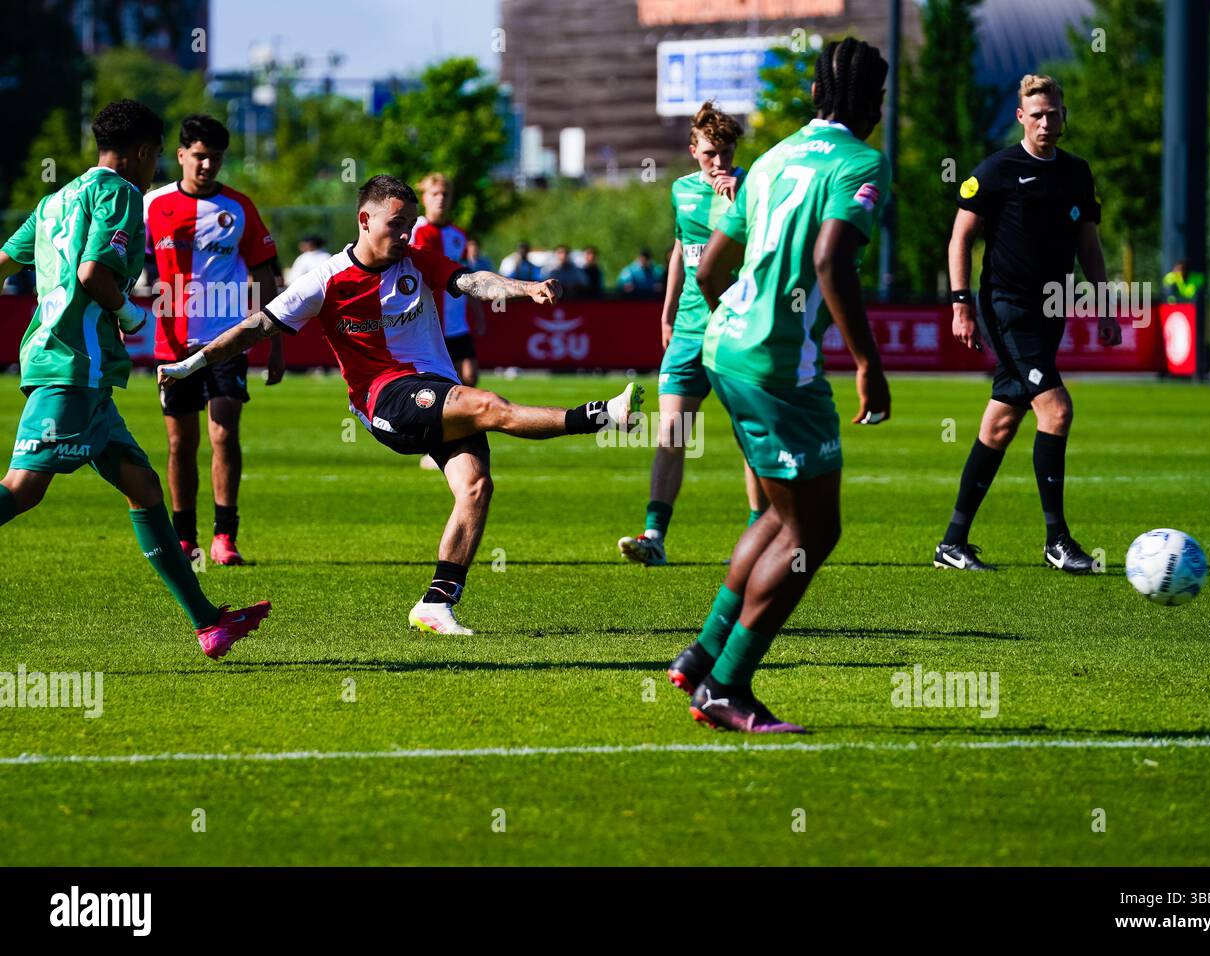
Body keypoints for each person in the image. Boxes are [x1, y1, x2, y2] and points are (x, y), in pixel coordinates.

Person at [159, 175, 644, 636]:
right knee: (490, 404)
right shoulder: (325, 280)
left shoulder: (419, 258)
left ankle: (436, 603)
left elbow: (474, 281)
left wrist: (524, 288)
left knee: (475, 487)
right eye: (396, 223)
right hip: (386, 399)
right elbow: (254, 327)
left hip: (436, 388)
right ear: (364, 221)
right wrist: (193, 364)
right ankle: (602, 416)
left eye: (410, 223)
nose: (406, 232)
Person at [664, 38, 893, 733]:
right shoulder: (861, 162)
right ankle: (728, 687)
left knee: (773, 513)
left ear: (816, 97)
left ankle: (703, 654)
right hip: (775, 363)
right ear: (870, 104)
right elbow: (831, 258)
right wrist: (867, 361)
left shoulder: (771, 158)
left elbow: (711, 266)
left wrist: (741, 312)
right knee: (813, 529)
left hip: (723, 343)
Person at [0, 100, 270, 660]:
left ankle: (207, 622)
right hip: (71, 370)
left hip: (83, 378)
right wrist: (130, 316)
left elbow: (5, 261)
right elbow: (94, 273)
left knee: (145, 490)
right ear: (146, 153)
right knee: (22, 490)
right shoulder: (120, 194)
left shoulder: (55, 201)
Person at [934, 74, 1121, 575]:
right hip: (1005, 308)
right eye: (1036, 114)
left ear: (1063, 115)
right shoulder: (996, 171)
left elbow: (1089, 248)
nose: (1045, 122)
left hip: (1050, 312)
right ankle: (1057, 540)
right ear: (1021, 117)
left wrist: (1105, 307)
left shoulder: (1078, 173)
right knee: (1056, 410)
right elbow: (960, 239)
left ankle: (952, 542)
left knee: (1000, 423)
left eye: (1053, 113)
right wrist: (960, 304)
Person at [618, 100, 767, 567]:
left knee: (751, 436)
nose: (719, 163)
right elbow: (681, 249)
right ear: (693, 151)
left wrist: (734, 205)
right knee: (672, 433)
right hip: (687, 332)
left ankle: (758, 538)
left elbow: (764, 249)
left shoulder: (753, 191)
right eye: (709, 154)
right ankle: (654, 536)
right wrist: (666, 312)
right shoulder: (681, 191)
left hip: (737, 329)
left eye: (726, 152)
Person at [145, 114, 284, 565]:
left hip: (227, 342)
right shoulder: (152, 204)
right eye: (200, 156)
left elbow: (265, 274)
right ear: (182, 154)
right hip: (173, 343)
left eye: (216, 158)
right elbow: (128, 263)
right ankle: (185, 539)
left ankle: (225, 536)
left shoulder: (239, 207)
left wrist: (276, 343)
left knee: (223, 433)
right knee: (179, 444)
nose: (207, 166)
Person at [411, 173, 485, 387]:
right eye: (434, 194)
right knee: (437, 383)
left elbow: (467, 276)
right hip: (426, 322)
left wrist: (477, 312)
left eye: (445, 194)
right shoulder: (415, 231)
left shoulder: (459, 235)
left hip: (456, 322)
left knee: (470, 377)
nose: (440, 198)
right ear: (424, 198)